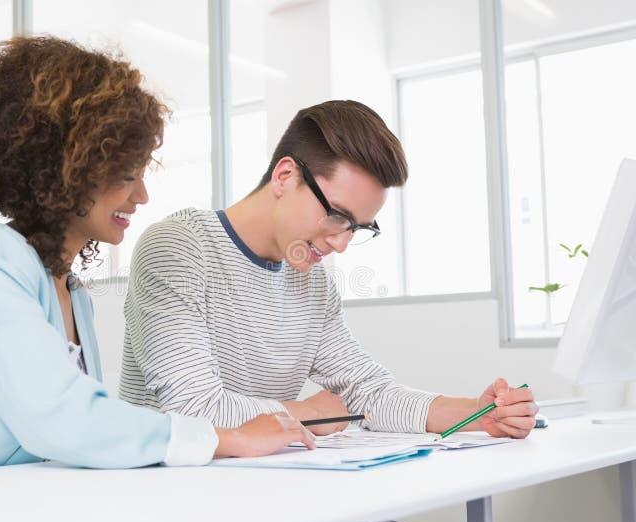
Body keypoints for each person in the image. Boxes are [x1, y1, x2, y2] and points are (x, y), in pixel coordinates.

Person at [0, 36, 315, 477]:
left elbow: (86, 431)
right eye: (127, 174)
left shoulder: (73, 293)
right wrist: (231, 438)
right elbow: (59, 419)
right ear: (61, 169)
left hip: (19, 504)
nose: (142, 195)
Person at [120, 100, 538, 440]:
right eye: (337, 216)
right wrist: (307, 412)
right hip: (177, 499)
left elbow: (369, 392)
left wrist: (478, 414)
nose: (342, 243)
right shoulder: (178, 248)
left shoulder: (311, 281)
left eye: (358, 227)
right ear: (285, 176)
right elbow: (194, 409)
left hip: (267, 492)